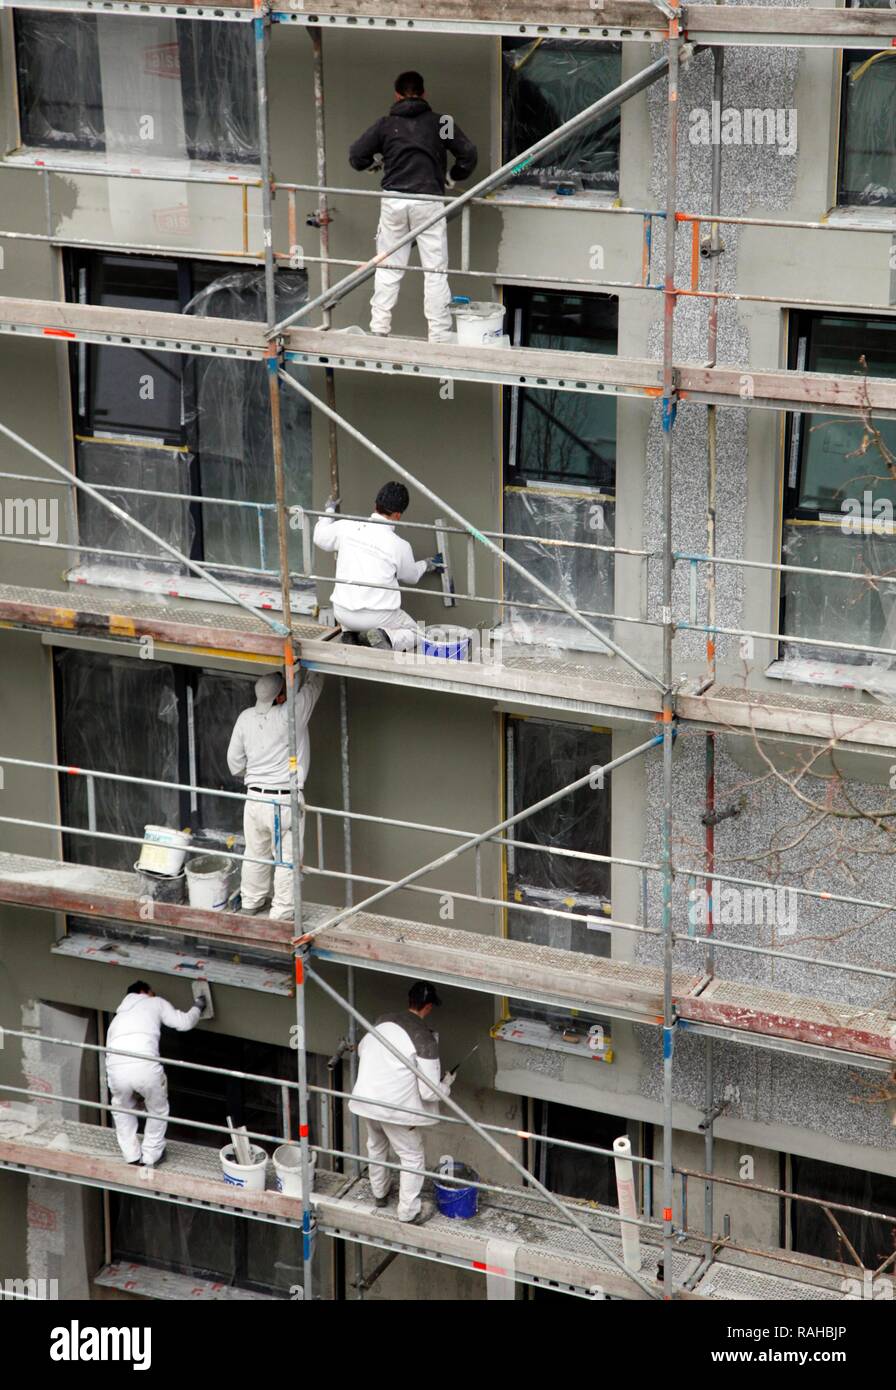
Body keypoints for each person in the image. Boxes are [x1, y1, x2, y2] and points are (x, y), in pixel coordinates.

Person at [349, 70, 478, 342]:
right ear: (424, 93)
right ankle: (439, 334)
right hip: (429, 201)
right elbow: (468, 153)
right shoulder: (440, 122)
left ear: (396, 95)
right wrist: (453, 177)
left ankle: (380, 328)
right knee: (435, 270)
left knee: (389, 266)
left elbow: (356, 155)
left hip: (394, 200)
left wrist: (373, 165)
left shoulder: (386, 125)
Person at [349, 981, 454, 1225]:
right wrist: (446, 1085)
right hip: (394, 1109)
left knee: (376, 1145)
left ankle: (379, 1193)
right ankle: (408, 1211)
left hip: (366, 1099)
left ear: (409, 1001)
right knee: (412, 1156)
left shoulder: (382, 1021)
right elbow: (429, 1092)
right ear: (428, 1007)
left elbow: (364, 1050)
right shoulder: (424, 1038)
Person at [226, 668, 323, 920]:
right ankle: (282, 912)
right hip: (284, 801)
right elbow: (314, 686)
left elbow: (234, 764)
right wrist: (306, 667)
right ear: (280, 697)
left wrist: (258, 773)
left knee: (255, 853)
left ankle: (251, 901)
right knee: (286, 859)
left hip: (255, 799)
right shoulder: (290, 716)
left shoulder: (245, 718)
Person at [313, 482, 443, 652]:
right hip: (377, 618)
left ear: (375, 505)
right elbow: (410, 577)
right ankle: (385, 637)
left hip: (343, 614)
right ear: (398, 515)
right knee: (417, 633)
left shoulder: (346, 527)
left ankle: (350, 635)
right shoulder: (399, 545)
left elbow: (319, 536)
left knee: (351, 614)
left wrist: (329, 510)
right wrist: (426, 564)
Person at [106, 981, 205, 1167]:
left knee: (122, 1108)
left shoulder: (116, 1020)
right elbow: (184, 1023)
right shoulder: (154, 1002)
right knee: (158, 1110)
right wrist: (198, 1006)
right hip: (145, 1066)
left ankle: (132, 1156)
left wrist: (134, 1095)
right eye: (153, 991)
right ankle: (151, 1155)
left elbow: (112, 1055)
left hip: (116, 1069)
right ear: (144, 991)